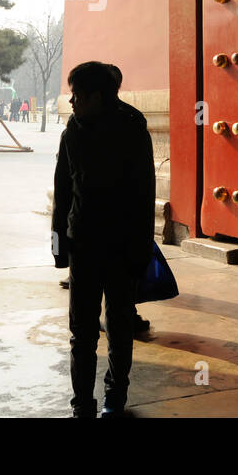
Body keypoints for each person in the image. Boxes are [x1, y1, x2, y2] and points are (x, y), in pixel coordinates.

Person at [52, 61, 155, 418]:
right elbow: (62, 189)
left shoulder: (132, 127)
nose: (73, 103)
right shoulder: (72, 131)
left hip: (123, 244)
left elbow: (145, 192)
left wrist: (142, 248)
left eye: (78, 96)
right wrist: (59, 245)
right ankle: (82, 401)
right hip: (83, 242)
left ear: (98, 96)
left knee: (119, 324)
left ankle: (115, 395)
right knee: (81, 330)